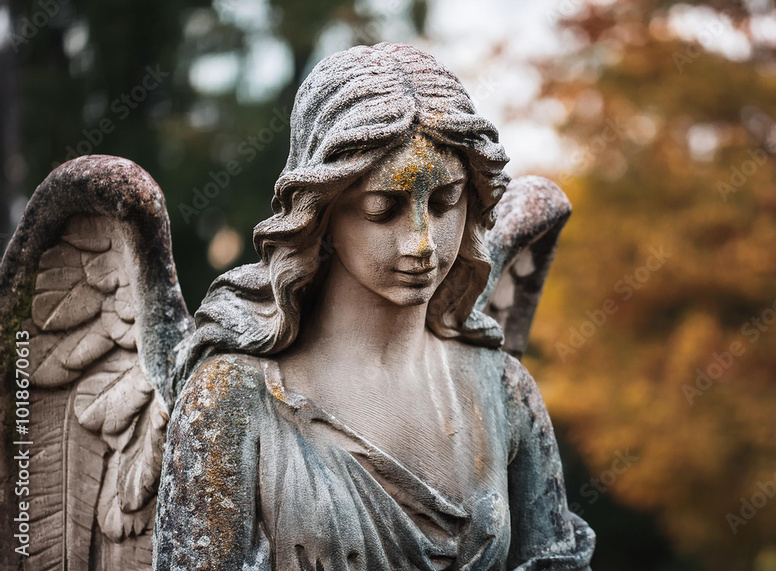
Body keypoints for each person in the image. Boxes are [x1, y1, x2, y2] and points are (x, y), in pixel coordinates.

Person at [154, 42, 595, 570]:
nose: (422, 243)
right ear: (321, 213)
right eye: (383, 209)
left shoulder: (504, 390)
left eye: (443, 203)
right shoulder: (232, 396)